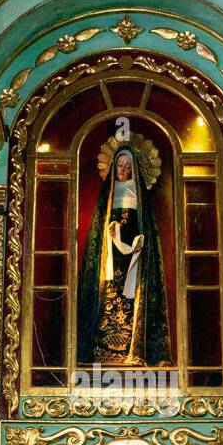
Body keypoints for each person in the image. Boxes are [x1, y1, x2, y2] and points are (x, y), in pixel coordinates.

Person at [77, 138, 171, 367]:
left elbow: (146, 229)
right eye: (120, 164)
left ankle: (134, 348)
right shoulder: (106, 198)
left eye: (128, 166)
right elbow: (98, 235)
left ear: (135, 168)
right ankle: (102, 350)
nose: (124, 169)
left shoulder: (141, 198)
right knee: (109, 297)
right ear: (113, 166)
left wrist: (139, 243)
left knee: (133, 298)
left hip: (135, 259)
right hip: (109, 261)